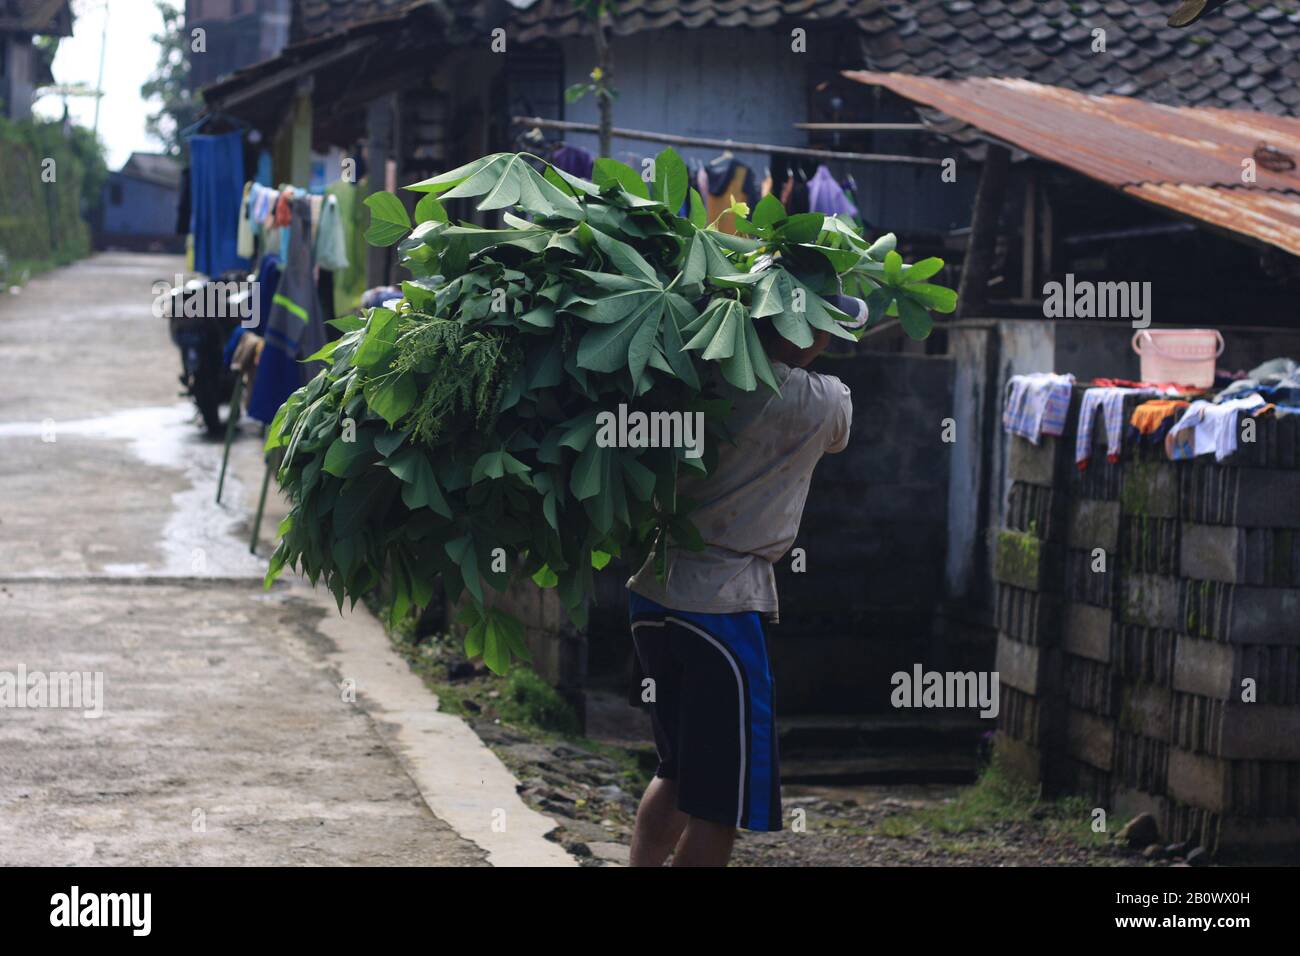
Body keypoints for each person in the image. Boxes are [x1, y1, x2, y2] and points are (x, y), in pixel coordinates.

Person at [624, 294, 863, 867]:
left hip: (653, 595)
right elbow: (840, 430)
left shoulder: (691, 375)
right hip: (721, 610)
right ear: (808, 334)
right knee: (721, 806)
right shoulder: (821, 401)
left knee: (678, 772)